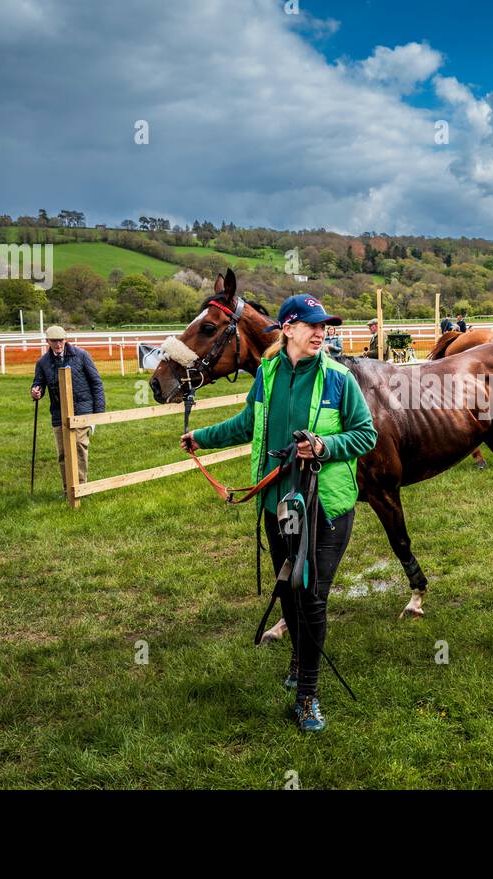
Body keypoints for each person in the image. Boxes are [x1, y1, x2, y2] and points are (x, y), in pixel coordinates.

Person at [181, 295, 377, 732]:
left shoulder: (339, 379)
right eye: (312, 325)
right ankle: (297, 657)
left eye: (324, 326)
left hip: (325, 508)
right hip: (280, 505)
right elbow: (247, 423)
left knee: (310, 597)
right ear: (288, 329)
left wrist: (325, 447)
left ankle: (308, 694)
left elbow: (366, 436)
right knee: (288, 587)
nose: (320, 332)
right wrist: (202, 437)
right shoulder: (268, 374)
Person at [31, 326, 106, 487]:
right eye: (54, 341)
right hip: (59, 414)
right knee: (63, 453)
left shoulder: (82, 355)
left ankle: (80, 487)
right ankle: (68, 489)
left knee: (78, 447)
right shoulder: (42, 362)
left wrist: (98, 415)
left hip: (82, 410)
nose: (58, 344)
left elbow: (96, 383)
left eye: (60, 340)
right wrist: (36, 391)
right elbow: (38, 383)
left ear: (66, 340)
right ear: (47, 342)